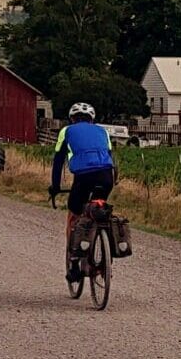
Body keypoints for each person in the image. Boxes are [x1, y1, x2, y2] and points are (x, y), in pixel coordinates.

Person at [49, 102, 115, 281]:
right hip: (106, 177)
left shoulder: (66, 131)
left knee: (74, 215)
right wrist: (111, 182)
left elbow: (58, 161)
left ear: (72, 118)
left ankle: (74, 261)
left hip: (83, 177)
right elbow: (111, 158)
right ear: (92, 119)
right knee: (99, 211)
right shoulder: (103, 132)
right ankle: (102, 252)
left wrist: (55, 187)